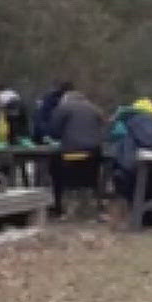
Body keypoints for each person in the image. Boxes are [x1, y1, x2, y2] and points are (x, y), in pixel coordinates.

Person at [46, 88, 106, 220]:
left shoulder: (63, 108)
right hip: (93, 155)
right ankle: (97, 208)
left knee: (54, 167)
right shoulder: (95, 108)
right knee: (92, 178)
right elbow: (103, 128)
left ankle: (59, 208)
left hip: (70, 155)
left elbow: (53, 131)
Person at [106, 97, 152, 213]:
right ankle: (142, 216)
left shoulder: (134, 117)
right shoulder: (143, 118)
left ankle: (136, 216)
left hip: (122, 160)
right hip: (131, 162)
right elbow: (149, 140)